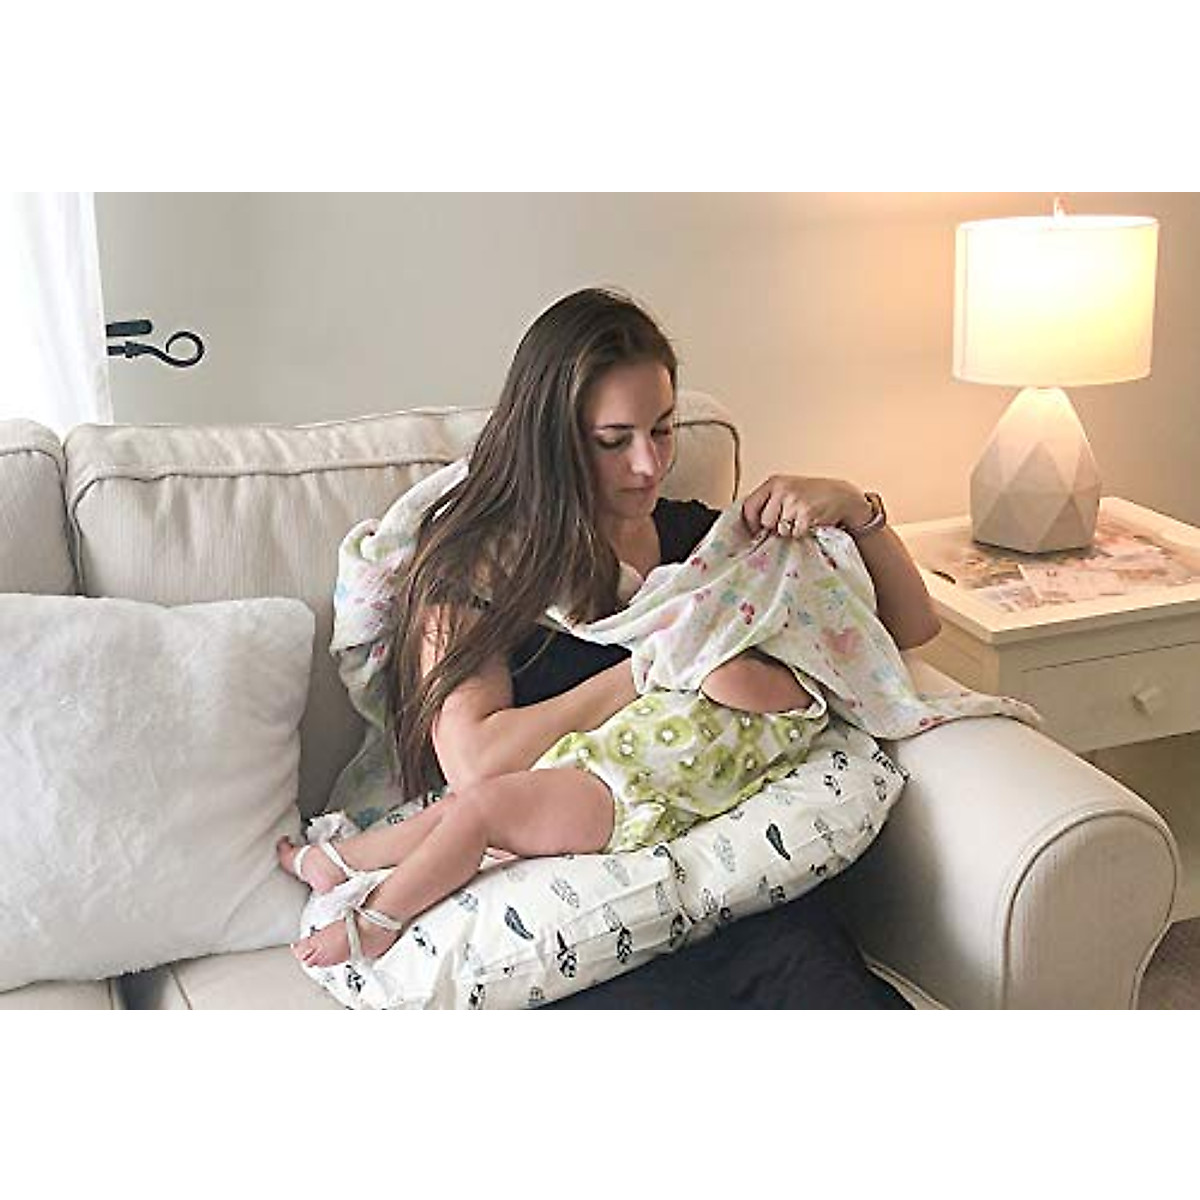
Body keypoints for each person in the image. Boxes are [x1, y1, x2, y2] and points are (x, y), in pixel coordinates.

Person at [277, 288, 940, 1001]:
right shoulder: (476, 568)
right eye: (614, 441)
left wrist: (856, 509)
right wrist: (653, 668)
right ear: (552, 439)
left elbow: (902, 633)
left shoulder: (706, 550)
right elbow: (477, 764)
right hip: (586, 916)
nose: (648, 465)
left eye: (663, 430)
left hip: (737, 896)